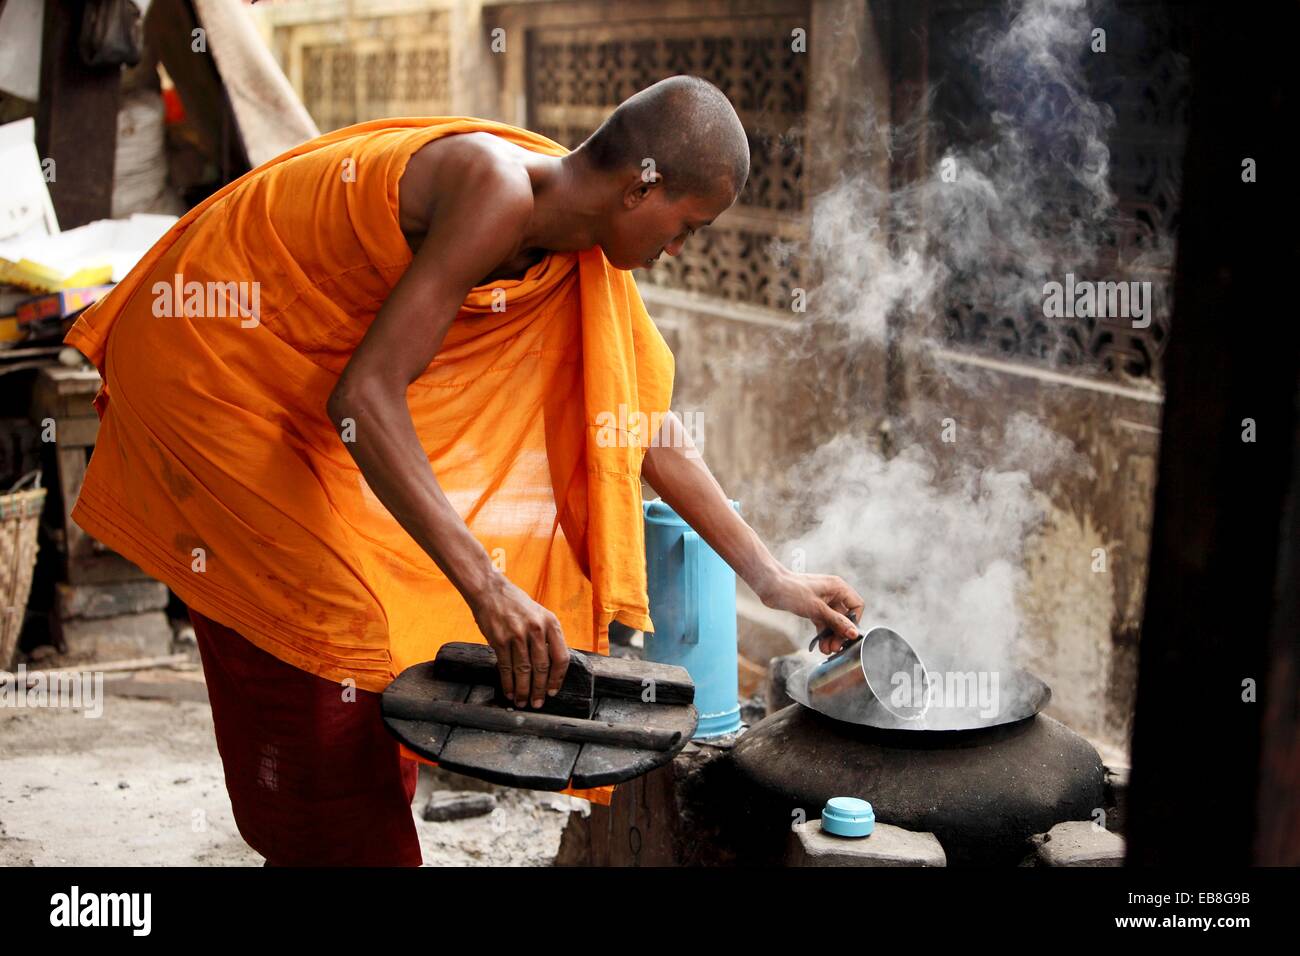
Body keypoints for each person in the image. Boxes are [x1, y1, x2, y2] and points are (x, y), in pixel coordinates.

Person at [64, 75, 864, 866]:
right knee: (328, 636)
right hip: (213, 372)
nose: (678, 249)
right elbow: (365, 396)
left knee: (393, 608)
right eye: (687, 224)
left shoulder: (577, 234)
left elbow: (640, 425)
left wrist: (771, 577)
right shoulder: (495, 186)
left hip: (297, 393)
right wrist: (490, 585)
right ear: (637, 188)